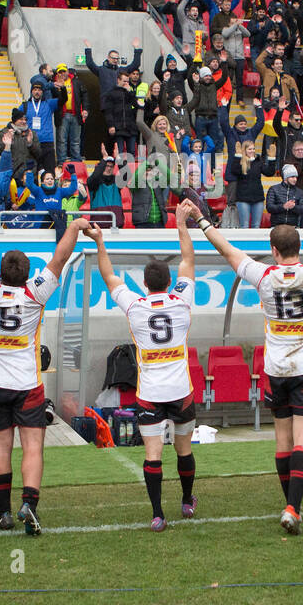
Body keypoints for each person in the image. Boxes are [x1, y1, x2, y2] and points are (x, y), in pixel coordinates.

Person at [187, 180, 303, 534]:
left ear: (273, 250)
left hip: (276, 370)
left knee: (283, 441)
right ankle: (293, 507)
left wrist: (203, 221)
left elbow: (228, 252)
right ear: (299, 248)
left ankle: (291, 505)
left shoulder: (264, 276)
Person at [0, 207, 89, 535]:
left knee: (0, 449)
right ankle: (30, 505)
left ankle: (3, 513)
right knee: (33, 447)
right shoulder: (34, 294)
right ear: (26, 274)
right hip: (27, 384)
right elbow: (60, 257)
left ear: (1, 271)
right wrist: (77, 224)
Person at [85, 202, 198, 531]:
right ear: (169, 281)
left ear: (146, 285)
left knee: (153, 455)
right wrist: (180, 223)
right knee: (183, 449)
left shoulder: (135, 304)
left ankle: (157, 514)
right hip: (181, 392)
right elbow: (189, 260)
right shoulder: (182, 301)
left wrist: (100, 242)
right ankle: (187, 501)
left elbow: (109, 276)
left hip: (149, 393)